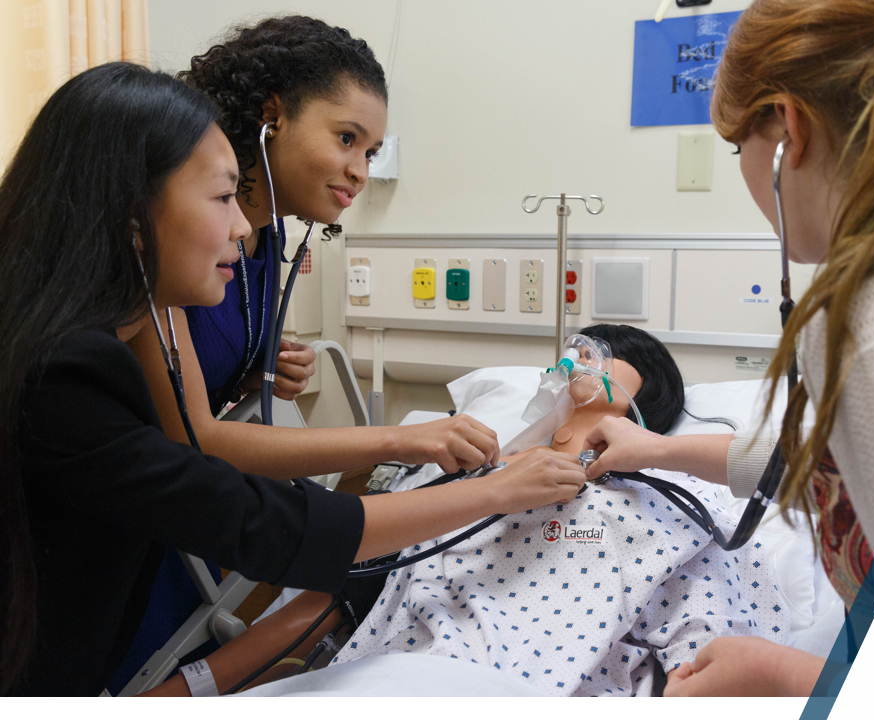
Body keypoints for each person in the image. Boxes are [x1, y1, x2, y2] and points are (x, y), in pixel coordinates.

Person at [0, 63, 585, 696]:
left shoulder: (76, 337)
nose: (241, 226)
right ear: (131, 214)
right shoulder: (66, 372)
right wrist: (492, 492)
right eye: (223, 198)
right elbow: (249, 512)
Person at [578, 0, 874, 696]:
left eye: (734, 145)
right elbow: (831, 459)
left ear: (788, 130)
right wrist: (652, 449)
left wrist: (788, 675)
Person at [119, 16, 506, 690]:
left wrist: (261, 367)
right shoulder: (181, 242)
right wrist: (398, 441)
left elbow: (209, 377)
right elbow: (197, 437)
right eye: (346, 138)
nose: (359, 171)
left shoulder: (268, 240)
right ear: (272, 120)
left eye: (372, 150)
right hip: (140, 534)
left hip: (207, 518)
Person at [141, 326, 814, 697]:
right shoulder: (479, 467)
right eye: (579, 348)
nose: (583, 358)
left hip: (523, 679)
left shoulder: (657, 498)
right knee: (343, 589)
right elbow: (365, 571)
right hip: (394, 658)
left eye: (609, 357)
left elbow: (706, 612)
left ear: (645, 400)